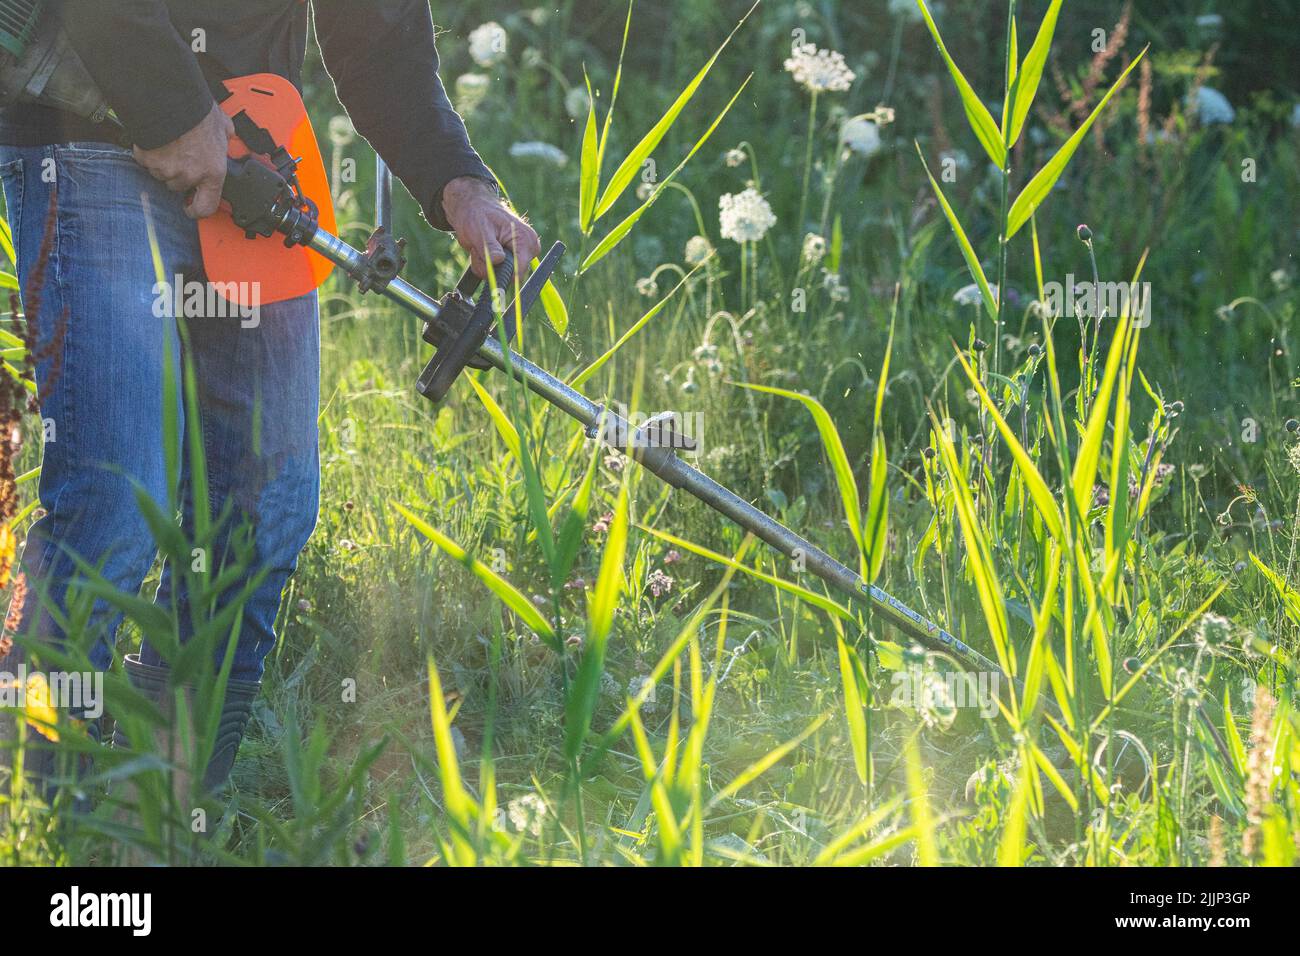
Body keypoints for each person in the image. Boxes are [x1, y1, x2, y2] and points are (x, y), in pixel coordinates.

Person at [0, 0, 540, 795]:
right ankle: (32, 814)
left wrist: (459, 183)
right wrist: (173, 106)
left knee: (262, 511)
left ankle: (158, 814)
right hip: (89, 126)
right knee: (115, 503)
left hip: (254, 153)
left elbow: (378, 32)